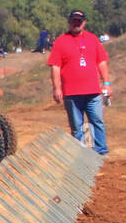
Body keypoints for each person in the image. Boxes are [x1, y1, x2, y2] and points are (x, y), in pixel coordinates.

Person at [47, 9, 111, 155]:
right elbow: (55, 66)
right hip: (71, 93)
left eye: (79, 21)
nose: (77, 24)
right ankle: (80, 155)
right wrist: (57, 88)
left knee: (97, 122)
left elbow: (102, 62)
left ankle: (101, 153)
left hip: (93, 92)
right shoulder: (61, 41)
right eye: (74, 21)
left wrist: (107, 83)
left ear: (84, 23)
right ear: (70, 22)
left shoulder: (92, 39)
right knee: (77, 126)